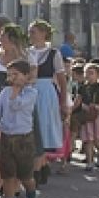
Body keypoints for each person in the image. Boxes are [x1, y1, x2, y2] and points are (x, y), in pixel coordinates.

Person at [0, 60, 41, 198]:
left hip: (23, 139)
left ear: (26, 76)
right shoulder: (5, 92)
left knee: (25, 176)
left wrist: (16, 91)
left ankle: (31, 194)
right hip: (6, 138)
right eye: (9, 75)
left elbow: (17, 105)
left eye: (15, 75)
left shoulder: (31, 93)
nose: (12, 78)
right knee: (7, 174)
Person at [26, 20, 68, 157]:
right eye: (30, 32)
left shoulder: (53, 53)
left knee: (45, 119)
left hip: (45, 90)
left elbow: (62, 79)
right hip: (28, 88)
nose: (30, 35)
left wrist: (63, 101)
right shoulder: (27, 52)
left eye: (33, 32)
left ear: (43, 34)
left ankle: (44, 152)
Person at [74, 63, 99, 171]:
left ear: (98, 75)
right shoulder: (82, 88)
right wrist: (71, 110)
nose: (89, 75)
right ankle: (90, 162)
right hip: (86, 116)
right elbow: (77, 102)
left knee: (97, 140)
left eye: (91, 73)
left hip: (97, 116)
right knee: (88, 139)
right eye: (87, 73)